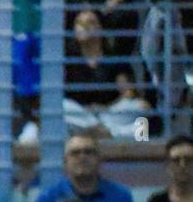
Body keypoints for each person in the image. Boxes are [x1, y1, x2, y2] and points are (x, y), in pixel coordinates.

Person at [63, 8, 151, 140]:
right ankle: (107, 132)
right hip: (80, 115)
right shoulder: (67, 60)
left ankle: (93, 131)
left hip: (108, 114)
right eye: (80, 23)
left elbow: (128, 94)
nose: (85, 27)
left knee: (141, 108)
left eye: (90, 22)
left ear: (100, 28)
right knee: (62, 106)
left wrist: (104, 108)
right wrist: (86, 110)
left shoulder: (113, 58)